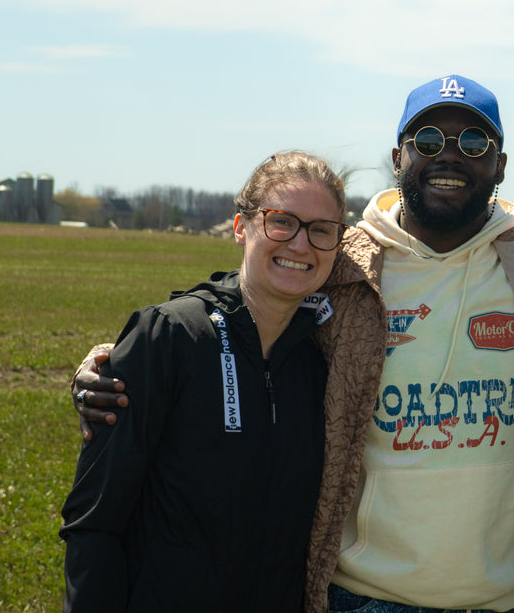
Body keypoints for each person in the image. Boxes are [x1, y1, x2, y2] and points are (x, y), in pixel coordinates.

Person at [70, 75, 514, 613]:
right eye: (429, 141)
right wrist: (118, 360)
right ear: (398, 157)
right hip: (366, 598)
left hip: (504, 598)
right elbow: (254, 290)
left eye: (473, 143)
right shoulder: (346, 261)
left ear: (501, 165)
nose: (449, 156)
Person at [60, 152, 349, 612]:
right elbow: (94, 523)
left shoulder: (320, 366)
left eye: (321, 229)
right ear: (241, 227)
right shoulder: (170, 337)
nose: (300, 244)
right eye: (282, 222)